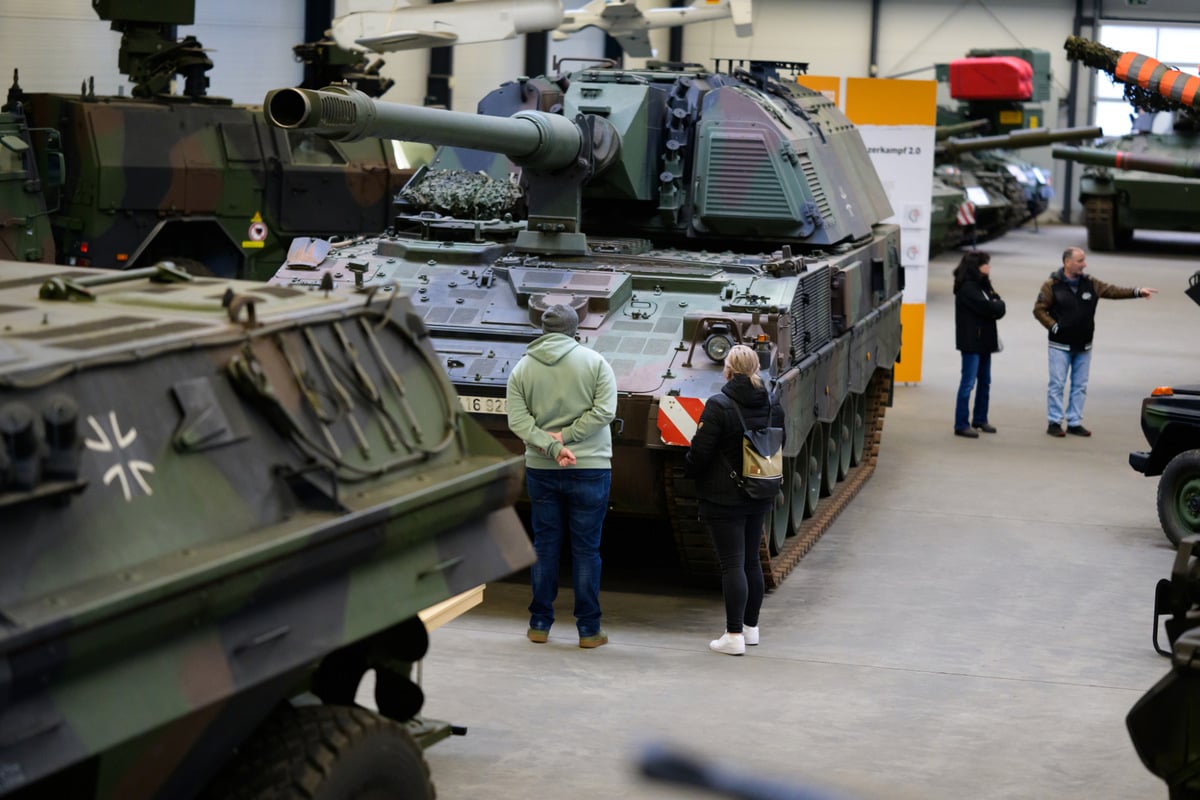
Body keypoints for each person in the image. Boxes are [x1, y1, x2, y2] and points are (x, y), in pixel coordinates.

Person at [506, 303, 617, 648]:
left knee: (545, 546)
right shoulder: (595, 363)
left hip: (542, 470)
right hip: (590, 468)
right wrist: (566, 439)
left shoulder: (521, 369)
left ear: (543, 330)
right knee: (586, 550)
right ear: (575, 330)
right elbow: (605, 411)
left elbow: (518, 422)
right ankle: (588, 630)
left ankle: (539, 623)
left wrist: (550, 447)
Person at [684, 345, 785, 657]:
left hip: (723, 498)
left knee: (732, 564)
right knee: (751, 560)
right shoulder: (772, 403)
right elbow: (780, 442)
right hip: (759, 491)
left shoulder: (719, 405)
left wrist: (689, 468)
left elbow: (700, 454)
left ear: (727, 370)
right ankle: (751, 629)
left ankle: (733, 634)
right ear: (756, 368)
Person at [1033, 247, 1156, 437]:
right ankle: (1054, 422)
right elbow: (1039, 310)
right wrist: (1054, 327)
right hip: (1060, 345)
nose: (1085, 264)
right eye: (1080, 260)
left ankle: (1074, 422)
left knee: (1080, 385)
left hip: (1083, 345)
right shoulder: (1051, 285)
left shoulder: (1091, 283)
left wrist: (1137, 292)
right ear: (1067, 262)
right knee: (1057, 384)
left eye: (1084, 260)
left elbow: (1113, 291)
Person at [952, 251, 1006, 438]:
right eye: (986, 264)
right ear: (977, 267)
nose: (989, 268)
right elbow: (989, 307)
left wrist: (996, 305)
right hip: (972, 341)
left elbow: (998, 305)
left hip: (984, 341)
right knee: (968, 383)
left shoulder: (984, 285)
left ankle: (980, 419)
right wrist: (995, 305)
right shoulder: (968, 288)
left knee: (985, 381)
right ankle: (961, 423)